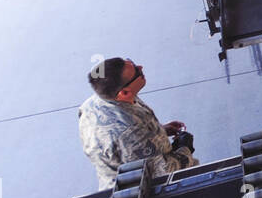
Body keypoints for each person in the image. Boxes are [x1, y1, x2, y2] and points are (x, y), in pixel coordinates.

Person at [79, 57, 197, 191]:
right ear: (124, 93)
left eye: (133, 64)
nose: (141, 67)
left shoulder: (96, 102)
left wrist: (159, 132)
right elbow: (164, 174)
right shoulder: (130, 134)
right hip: (143, 193)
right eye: (137, 71)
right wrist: (184, 148)